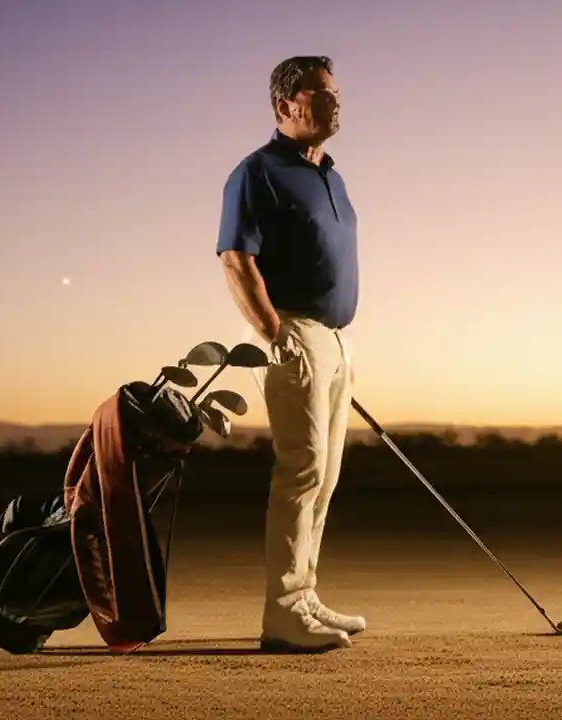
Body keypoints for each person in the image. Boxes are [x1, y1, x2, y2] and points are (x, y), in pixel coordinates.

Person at [216, 56, 365, 652]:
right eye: (321, 93)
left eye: (336, 92)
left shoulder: (333, 174)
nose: (335, 102)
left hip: (333, 336)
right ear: (285, 106)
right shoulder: (257, 172)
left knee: (324, 478)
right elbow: (235, 258)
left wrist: (331, 345)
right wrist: (275, 335)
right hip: (293, 332)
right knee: (300, 471)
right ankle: (282, 614)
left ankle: (304, 596)